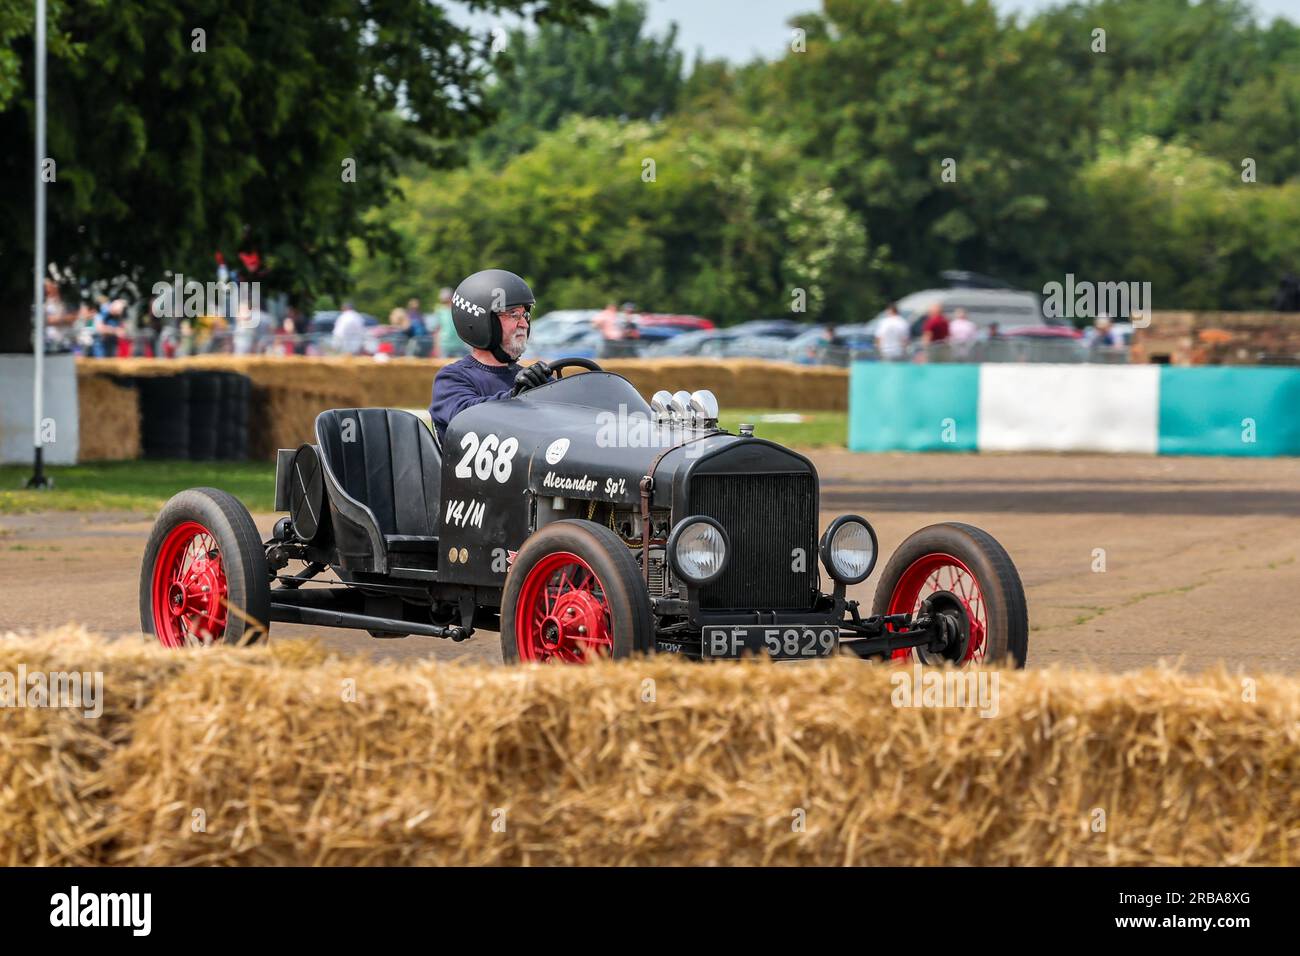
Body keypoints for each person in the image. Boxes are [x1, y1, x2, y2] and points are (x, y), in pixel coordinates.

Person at [428, 269, 551, 445]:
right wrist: (516, 396)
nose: (523, 323)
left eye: (525, 314)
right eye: (513, 314)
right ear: (482, 321)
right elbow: (465, 417)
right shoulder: (452, 378)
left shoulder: (531, 379)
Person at [432, 287, 463, 358]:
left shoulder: (458, 310)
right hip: (444, 345)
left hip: (458, 345)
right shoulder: (439, 311)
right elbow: (436, 330)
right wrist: (436, 347)